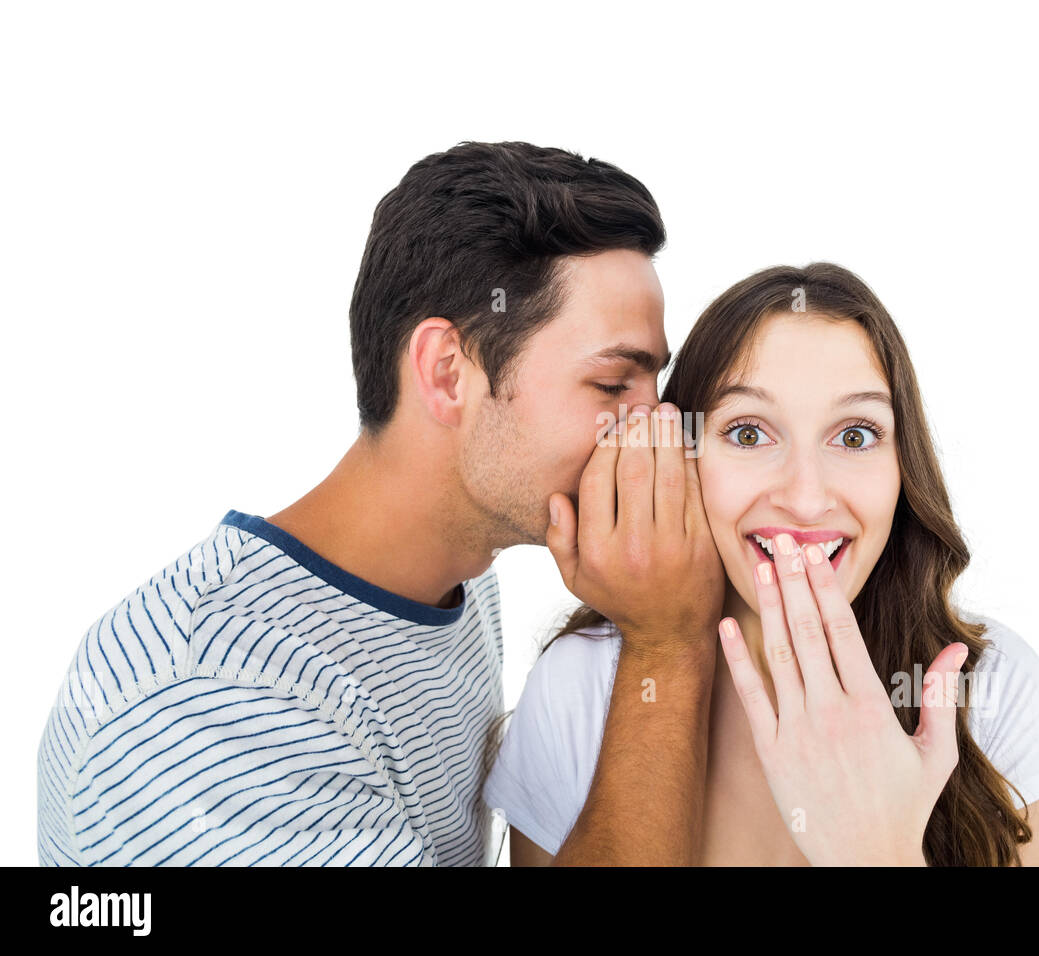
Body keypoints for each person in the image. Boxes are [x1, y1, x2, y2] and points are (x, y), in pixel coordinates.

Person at [35, 141, 724, 866]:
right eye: (615, 385)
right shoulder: (210, 715)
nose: (660, 431)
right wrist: (667, 644)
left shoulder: (456, 577)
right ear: (448, 372)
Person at [485, 262, 1039, 865]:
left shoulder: (991, 690)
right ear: (679, 455)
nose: (806, 498)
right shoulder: (581, 689)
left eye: (855, 435)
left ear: (902, 470)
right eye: (749, 434)